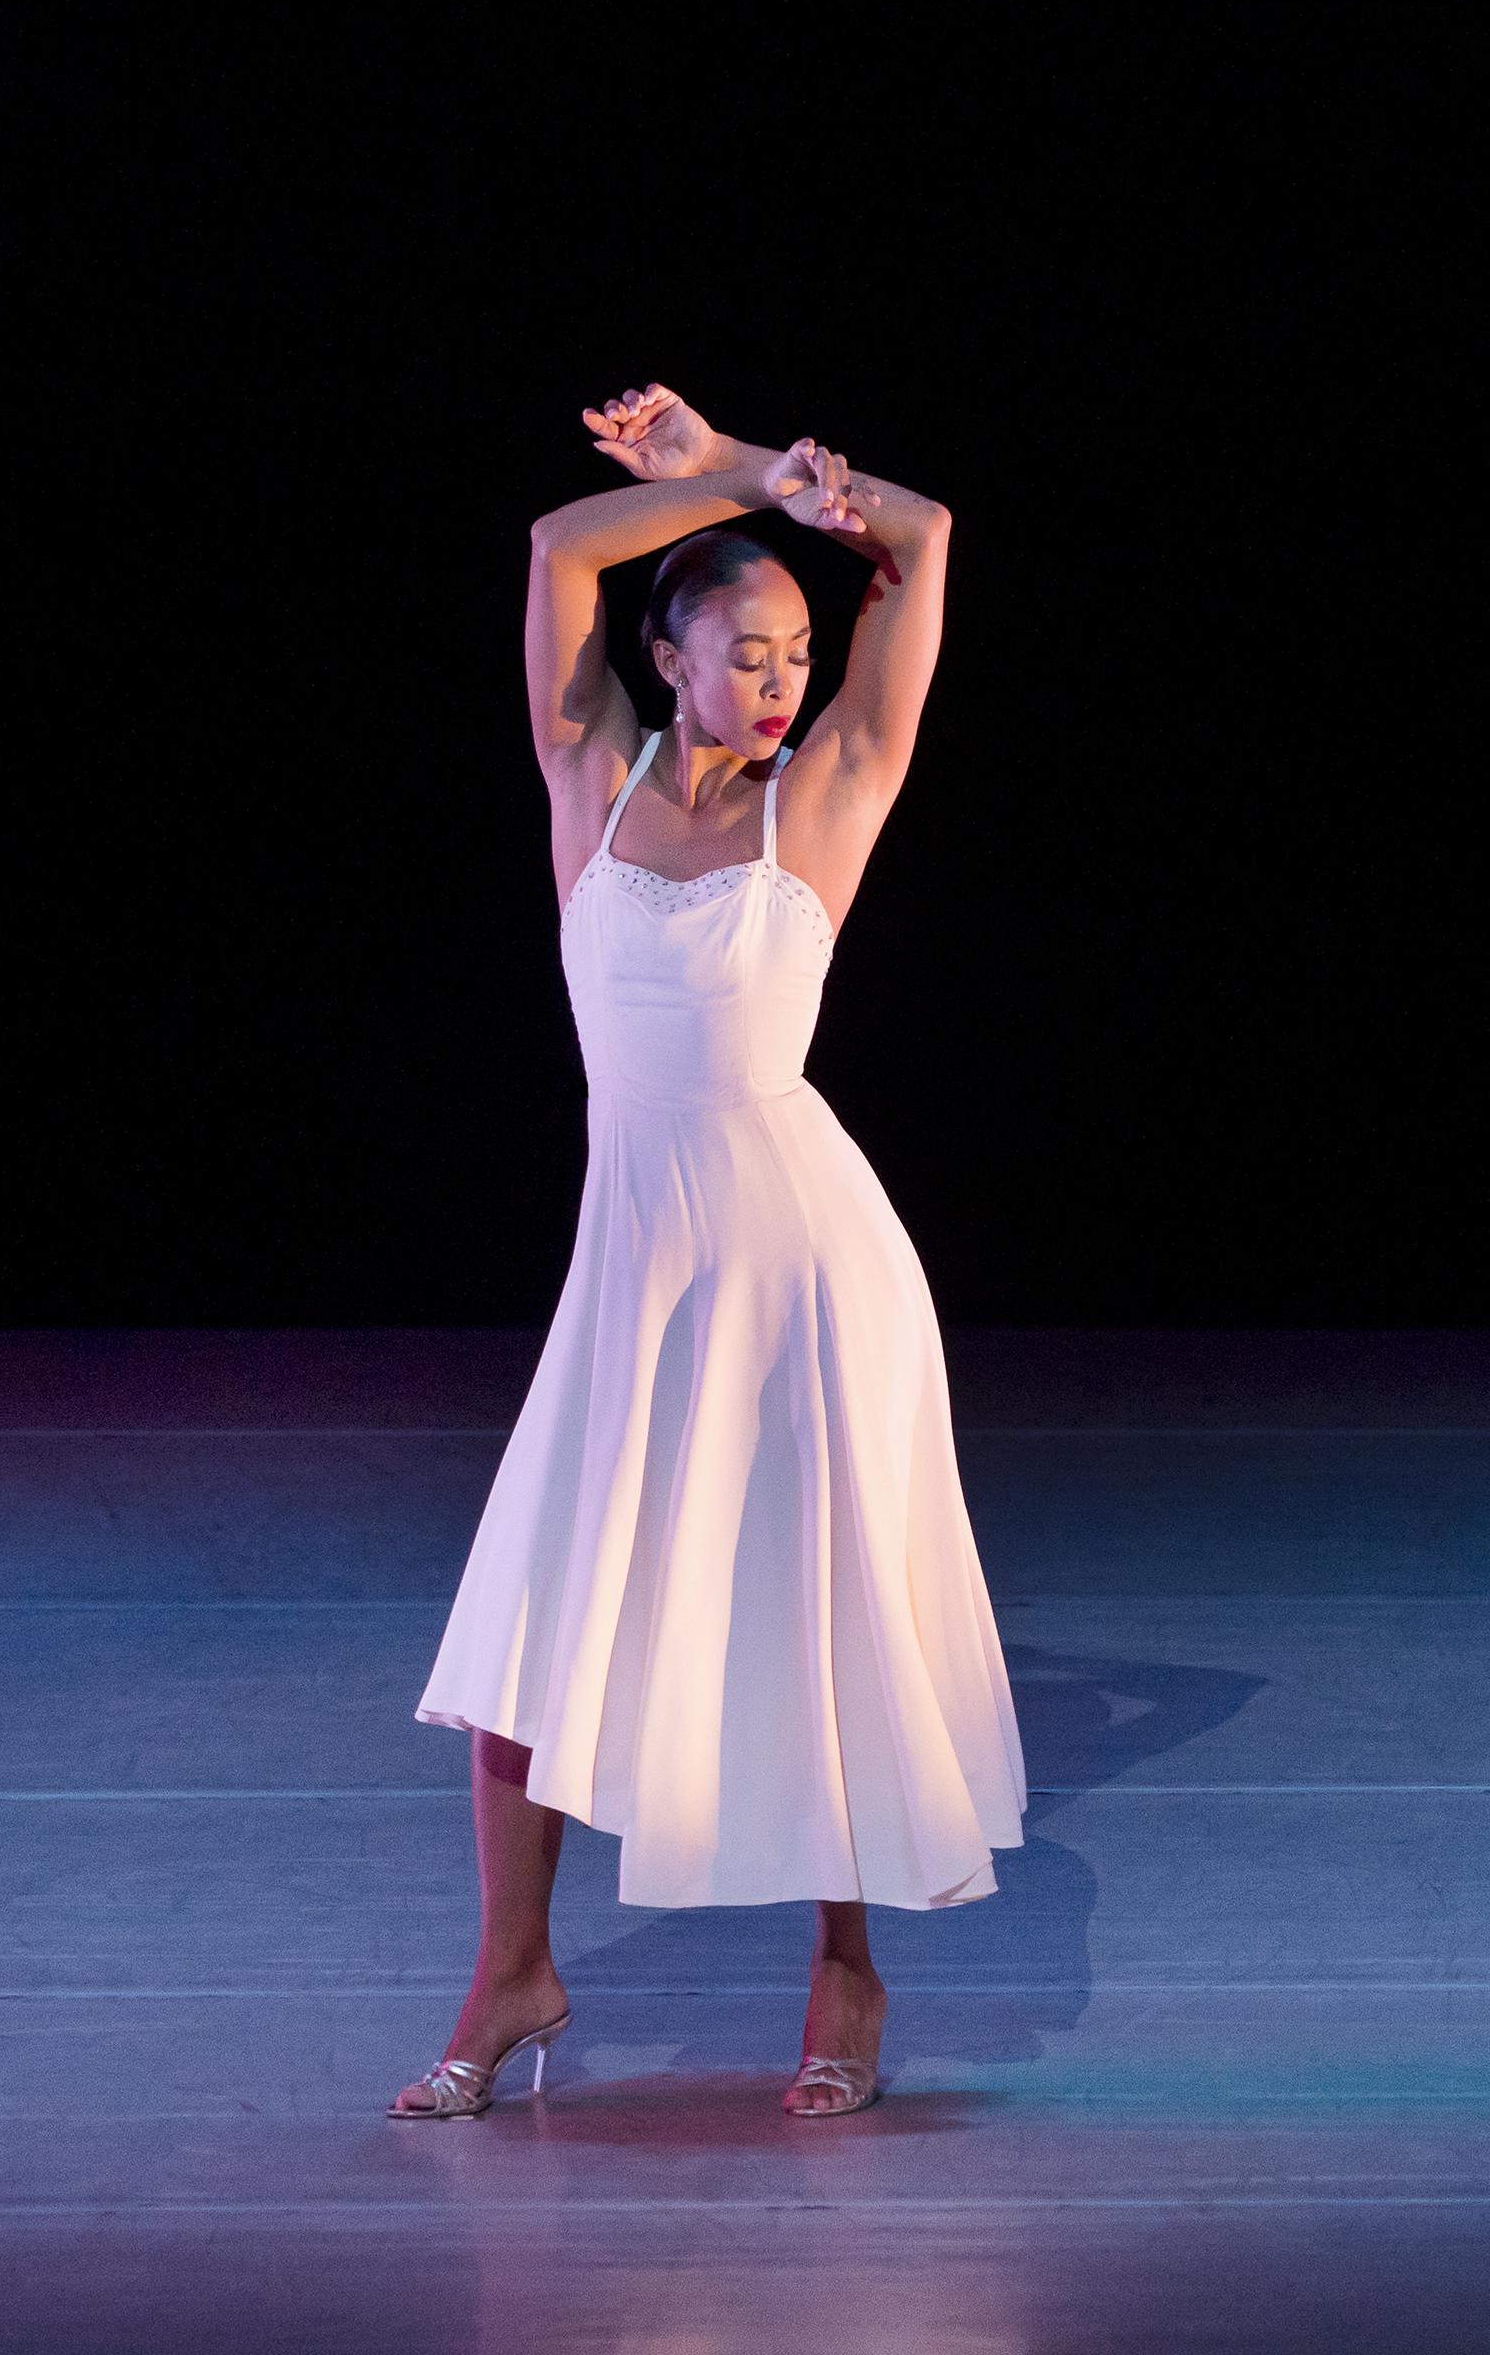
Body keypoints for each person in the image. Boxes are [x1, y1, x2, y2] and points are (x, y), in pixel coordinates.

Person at [391, 386, 1027, 2122]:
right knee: (537, 1611)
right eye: (746, 648)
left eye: (799, 648)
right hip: (634, 1265)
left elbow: (931, 538)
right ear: (667, 656)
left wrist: (811, 491)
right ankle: (514, 1969)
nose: (783, 679)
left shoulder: (821, 798)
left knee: (807, 1612)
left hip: (804, 1270)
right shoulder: (583, 780)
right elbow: (555, 547)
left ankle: (846, 1972)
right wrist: (727, 481)